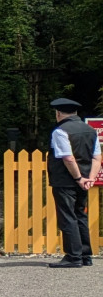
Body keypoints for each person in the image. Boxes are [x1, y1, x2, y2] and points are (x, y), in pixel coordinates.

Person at [46, 97, 101, 268]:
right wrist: (89, 178)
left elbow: (68, 158)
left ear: (58, 113)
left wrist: (78, 178)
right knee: (80, 216)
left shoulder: (60, 131)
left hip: (65, 182)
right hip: (84, 181)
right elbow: (97, 158)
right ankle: (85, 255)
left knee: (67, 217)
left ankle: (73, 256)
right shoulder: (90, 131)